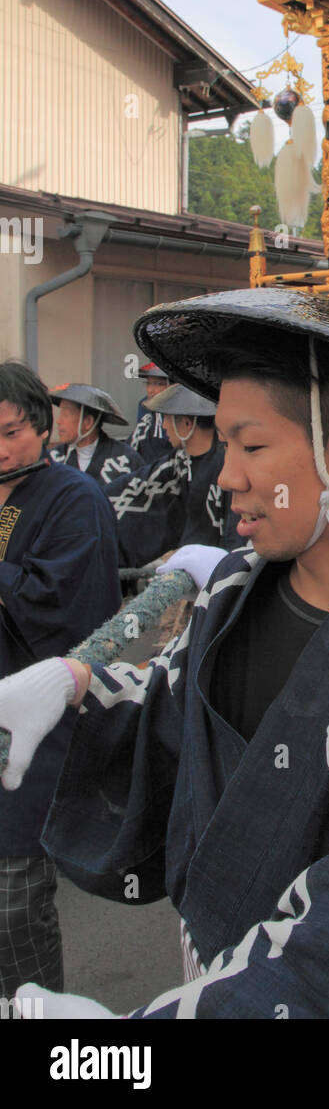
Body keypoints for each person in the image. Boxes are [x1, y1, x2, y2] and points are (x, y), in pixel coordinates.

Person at [1, 289, 329, 1020]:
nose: (228, 476)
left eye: (251, 445)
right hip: (212, 964)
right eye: (224, 444)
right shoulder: (236, 590)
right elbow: (171, 728)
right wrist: (72, 691)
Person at [0, 361, 120, 1000]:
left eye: (12, 432)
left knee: (15, 900)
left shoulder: (75, 497)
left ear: (43, 427)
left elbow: (65, 605)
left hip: (36, 716)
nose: (1, 450)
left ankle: (41, 1015)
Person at [106, 384, 244, 568]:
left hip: (216, 568)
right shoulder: (180, 461)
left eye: (167, 419)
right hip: (189, 559)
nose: (163, 426)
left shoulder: (227, 464)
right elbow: (137, 484)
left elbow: (236, 537)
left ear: (187, 423)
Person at [48, 383, 143, 484]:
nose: (58, 421)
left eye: (65, 414)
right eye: (60, 413)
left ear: (88, 422)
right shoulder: (53, 458)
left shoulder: (126, 459)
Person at [130, 361, 173, 463]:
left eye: (157, 384)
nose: (150, 390)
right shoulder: (144, 405)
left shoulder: (180, 410)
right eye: (148, 383)